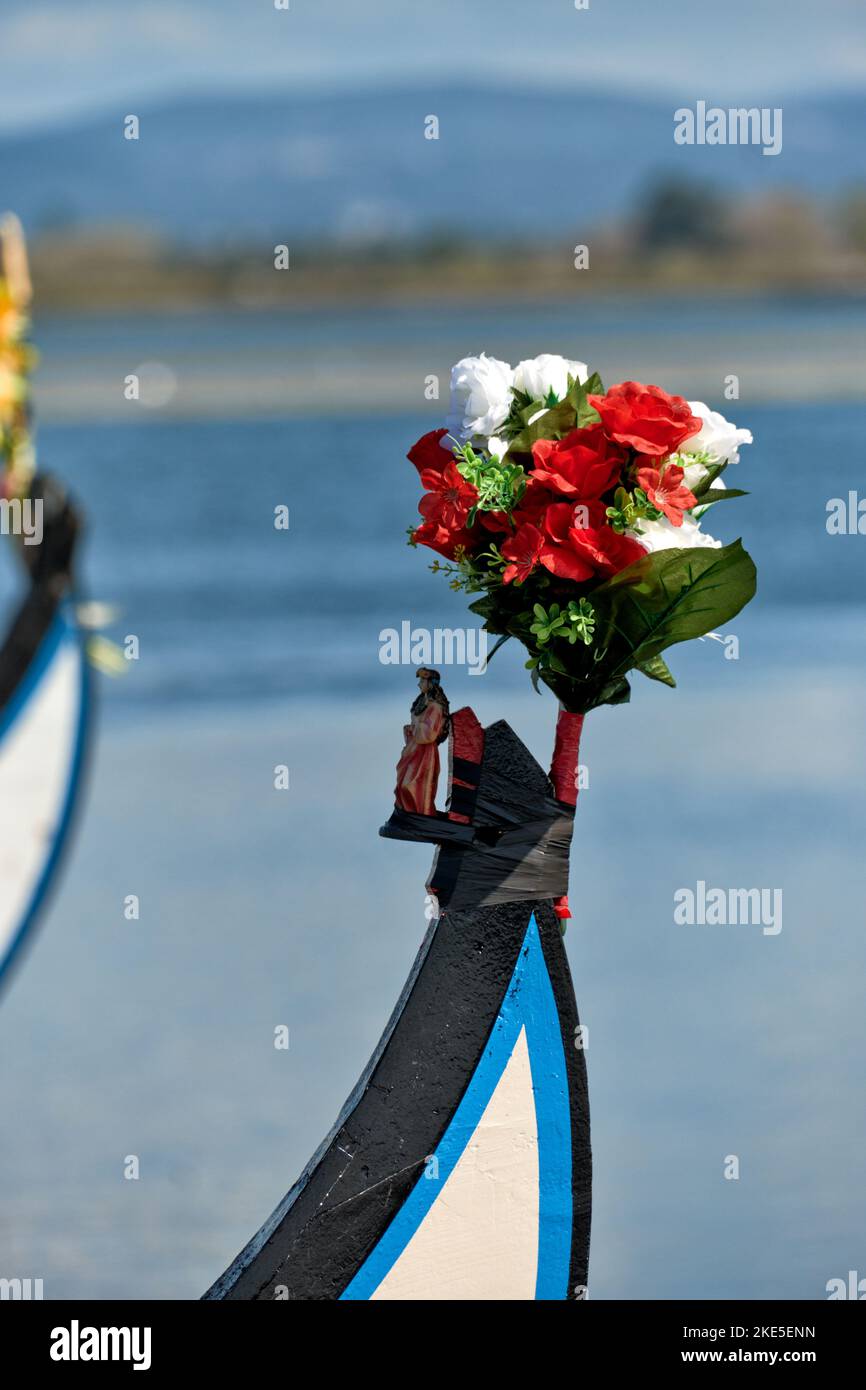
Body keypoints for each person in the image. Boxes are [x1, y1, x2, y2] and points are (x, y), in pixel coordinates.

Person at [394, 667, 450, 815]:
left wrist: (415, 728)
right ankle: (408, 810)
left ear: (430, 683)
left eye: (422, 681)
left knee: (413, 783)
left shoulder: (435, 707)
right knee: (403, 781)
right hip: (414, 748)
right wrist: (411, 729)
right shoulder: (421, 702)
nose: (419, 684)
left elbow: (430, 733)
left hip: (425, 751)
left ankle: (419, 812)